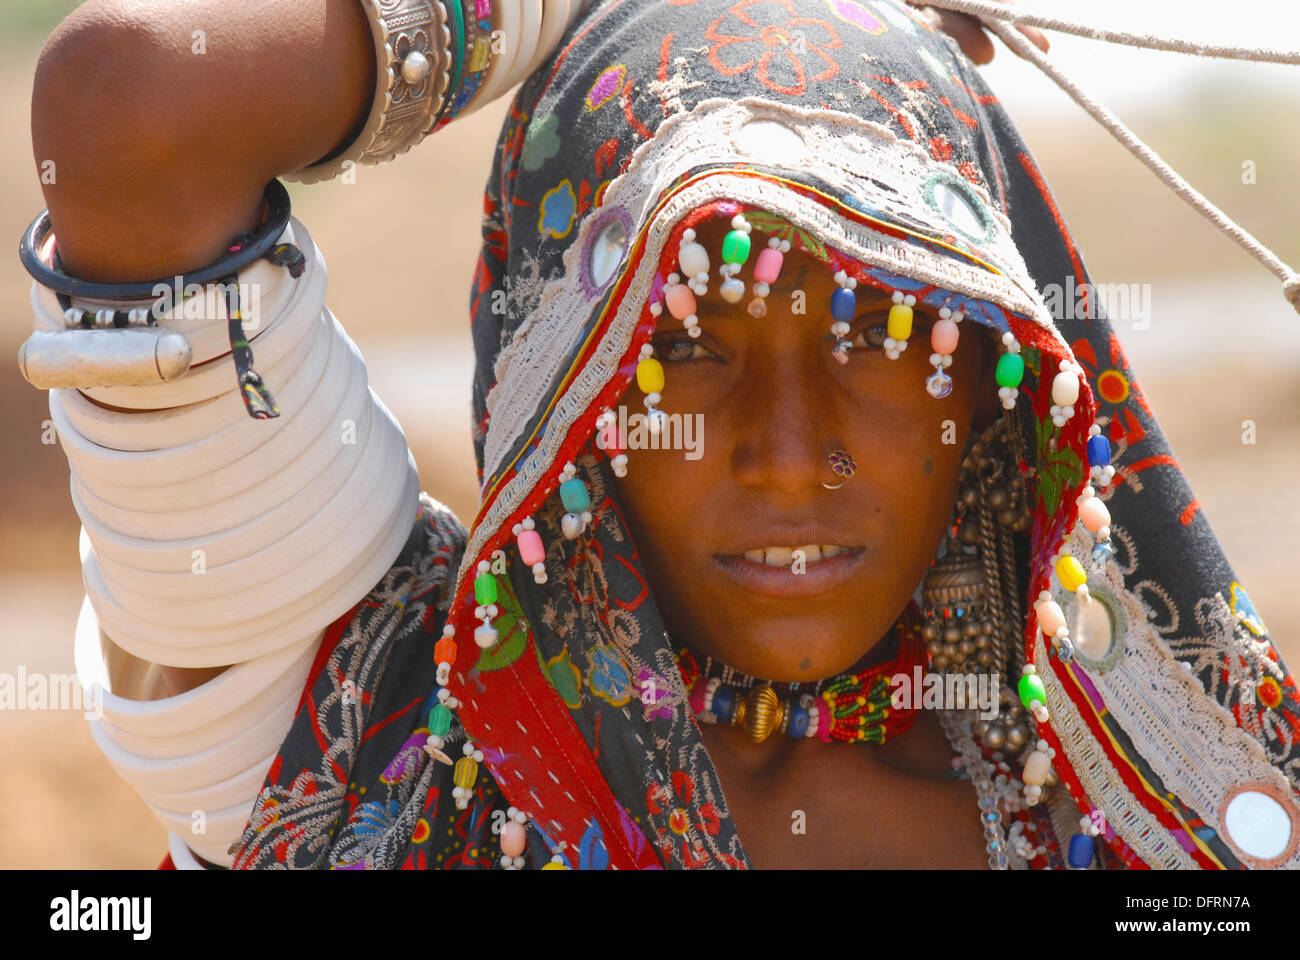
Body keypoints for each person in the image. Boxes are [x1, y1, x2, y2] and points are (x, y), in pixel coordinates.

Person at [23, 0, 1295, 870]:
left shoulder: (1171, 817)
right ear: (560, 376)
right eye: (684, 343)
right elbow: (139, 101)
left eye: (875, 336)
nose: (792, 455)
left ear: (986, 387)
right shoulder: (377, 731)